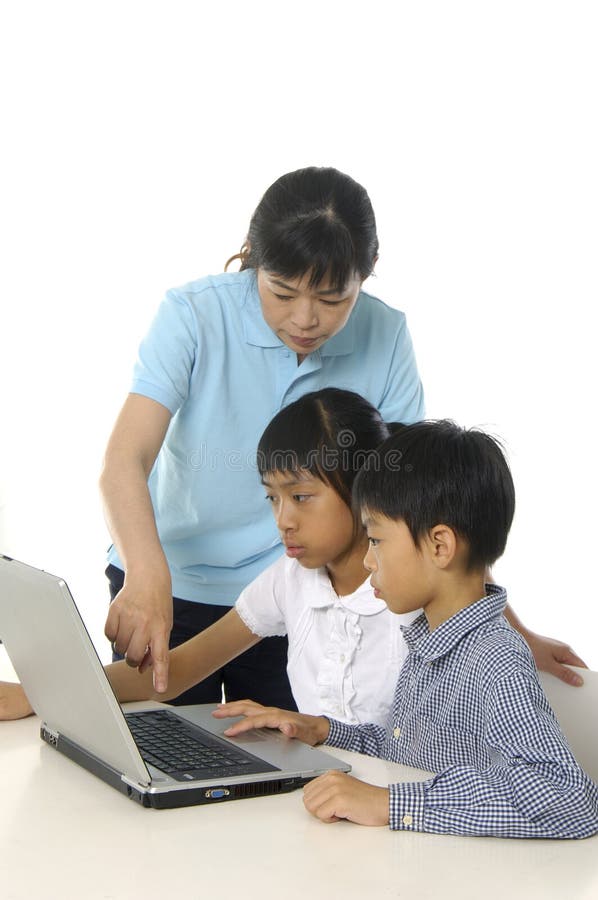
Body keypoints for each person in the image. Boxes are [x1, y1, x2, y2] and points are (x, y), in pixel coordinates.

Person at [98, 165, 585, 700]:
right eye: (281, 293)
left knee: (289, 763)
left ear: (366, 273)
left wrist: (507, 629)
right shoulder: (193, 314)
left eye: (333, 299)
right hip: (168, 581)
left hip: (299, 591)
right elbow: (125, 459)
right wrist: (147, 575)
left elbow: (420, 498)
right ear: (255, 262)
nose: (305, 319)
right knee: (156, 758)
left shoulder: (386, 333)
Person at [213, 421, 598, 839]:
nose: (368, 561)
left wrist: (390, 803)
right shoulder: (426, 643)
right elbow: (409, 753)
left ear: (439, 546)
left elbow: (567, 796)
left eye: (376, 540)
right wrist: (323, 729)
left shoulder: (494, 658)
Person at [0, 389, 417, 724]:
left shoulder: (415, 590)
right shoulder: (289, 579)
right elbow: (178, 669)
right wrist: (40, 692)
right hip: (323, 793)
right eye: (273, 498)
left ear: (363, 488)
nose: (283, 520)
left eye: (302, 497)